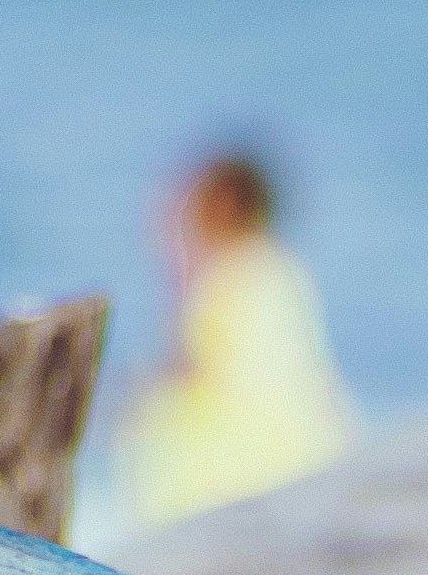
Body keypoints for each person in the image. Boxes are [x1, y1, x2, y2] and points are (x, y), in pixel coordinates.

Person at [111, 149, 362, 534]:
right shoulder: (280, 268)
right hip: (307, 458)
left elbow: (192, 376)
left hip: (245, 481)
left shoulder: (222, 282)